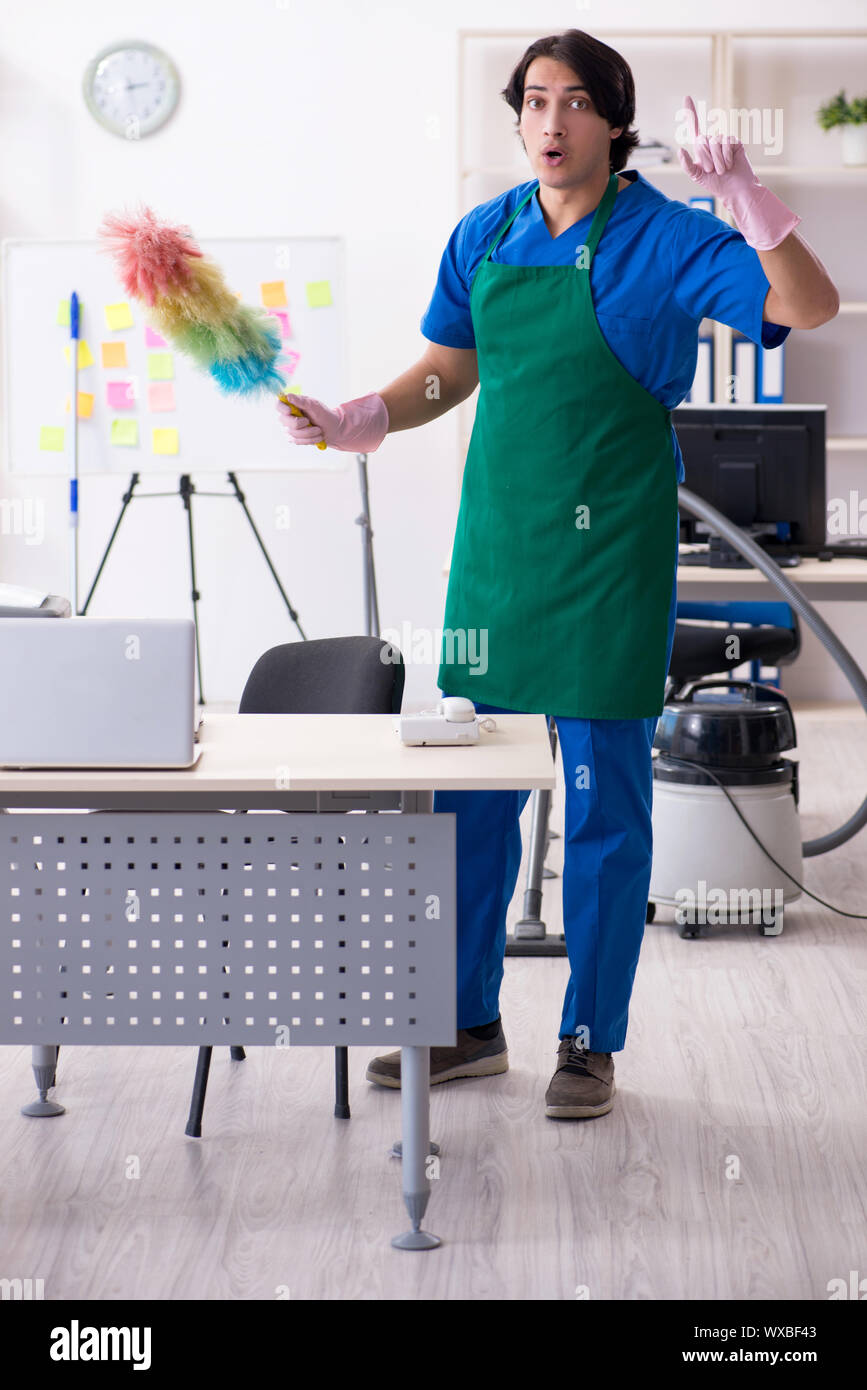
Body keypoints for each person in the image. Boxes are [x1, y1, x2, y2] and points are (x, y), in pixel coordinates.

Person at [277, 29, 839, 1119]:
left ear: (615, 123)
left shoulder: (672, 238)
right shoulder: (483, 235)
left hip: (609, 560)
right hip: (495, 557)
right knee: (464, 796)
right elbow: (451, 369)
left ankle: (588, 1039)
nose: (549, 123)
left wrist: (754, 203)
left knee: (601, 804)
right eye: (532, 102)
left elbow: (804, 309)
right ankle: (464, 1022)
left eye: (574, 103)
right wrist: (368, 416)